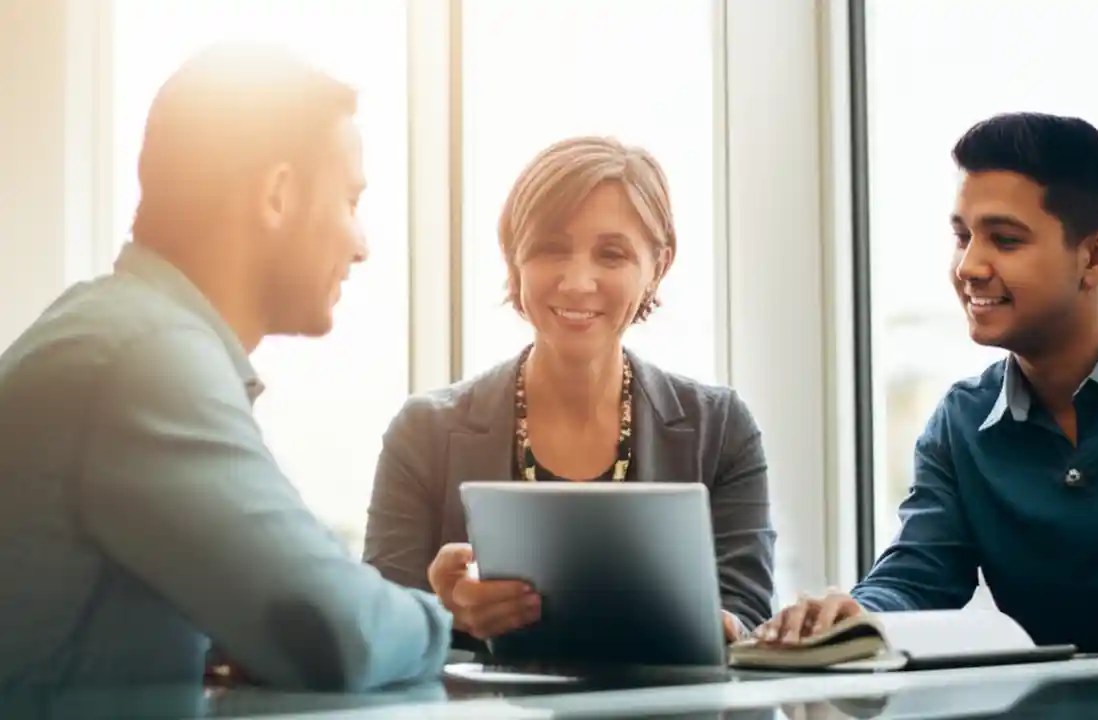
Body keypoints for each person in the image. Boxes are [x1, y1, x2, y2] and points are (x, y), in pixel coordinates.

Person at [0, 45, 450, 689]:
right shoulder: (144, 358)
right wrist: (440, 618)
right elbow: (334, 627)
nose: (362, 245)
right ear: (277, 194)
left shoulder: (116, 330)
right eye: (350, 202)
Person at [755, 112, 1098, 655]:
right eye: (962, 237)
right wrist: (854, 615)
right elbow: (916, 578)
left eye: (1004, 240)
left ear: (1096, 256)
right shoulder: (962, 425)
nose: (969, 266)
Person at [364, 136, 775, 653]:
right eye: (550, 248)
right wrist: (444, 611)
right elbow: (375, 627)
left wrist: (715, 627)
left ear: (658, 267)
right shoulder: (425, 432)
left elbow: (752, 616)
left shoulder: (720, 429)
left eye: (612, 254)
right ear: (514, 259)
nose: (578, 282)